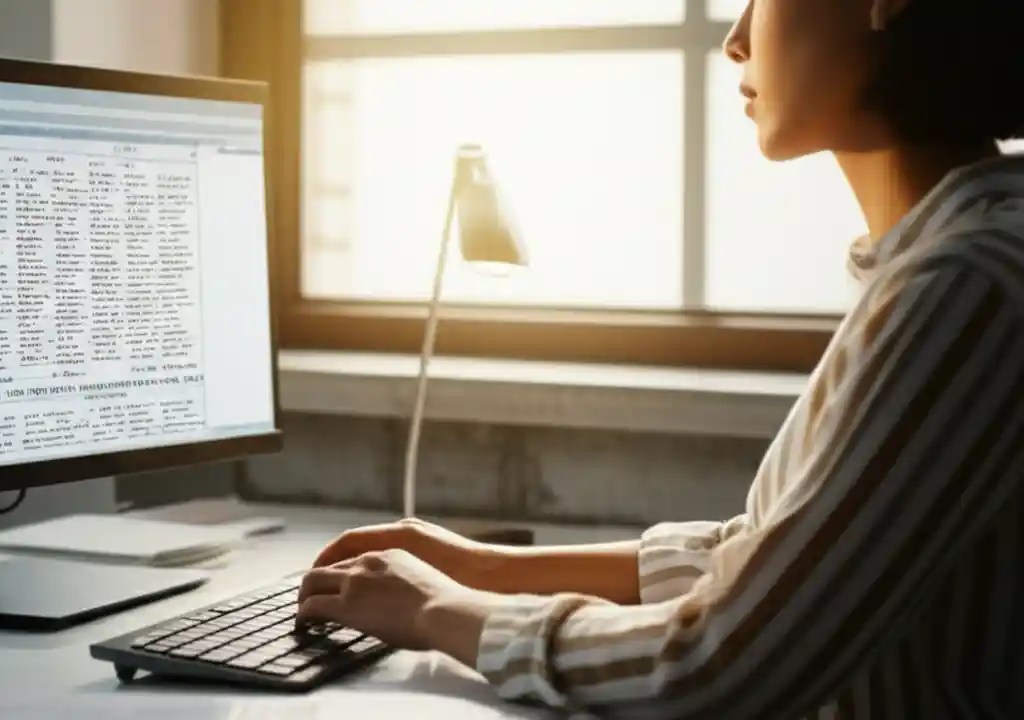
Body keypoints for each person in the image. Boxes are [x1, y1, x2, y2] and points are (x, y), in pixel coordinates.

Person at [295, 0, 1024, 716]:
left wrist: (438, 610)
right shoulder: (953, 262)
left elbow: (724, 659)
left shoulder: (968, 287)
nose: (736, 38)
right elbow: (779, 562)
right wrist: (485, 566)